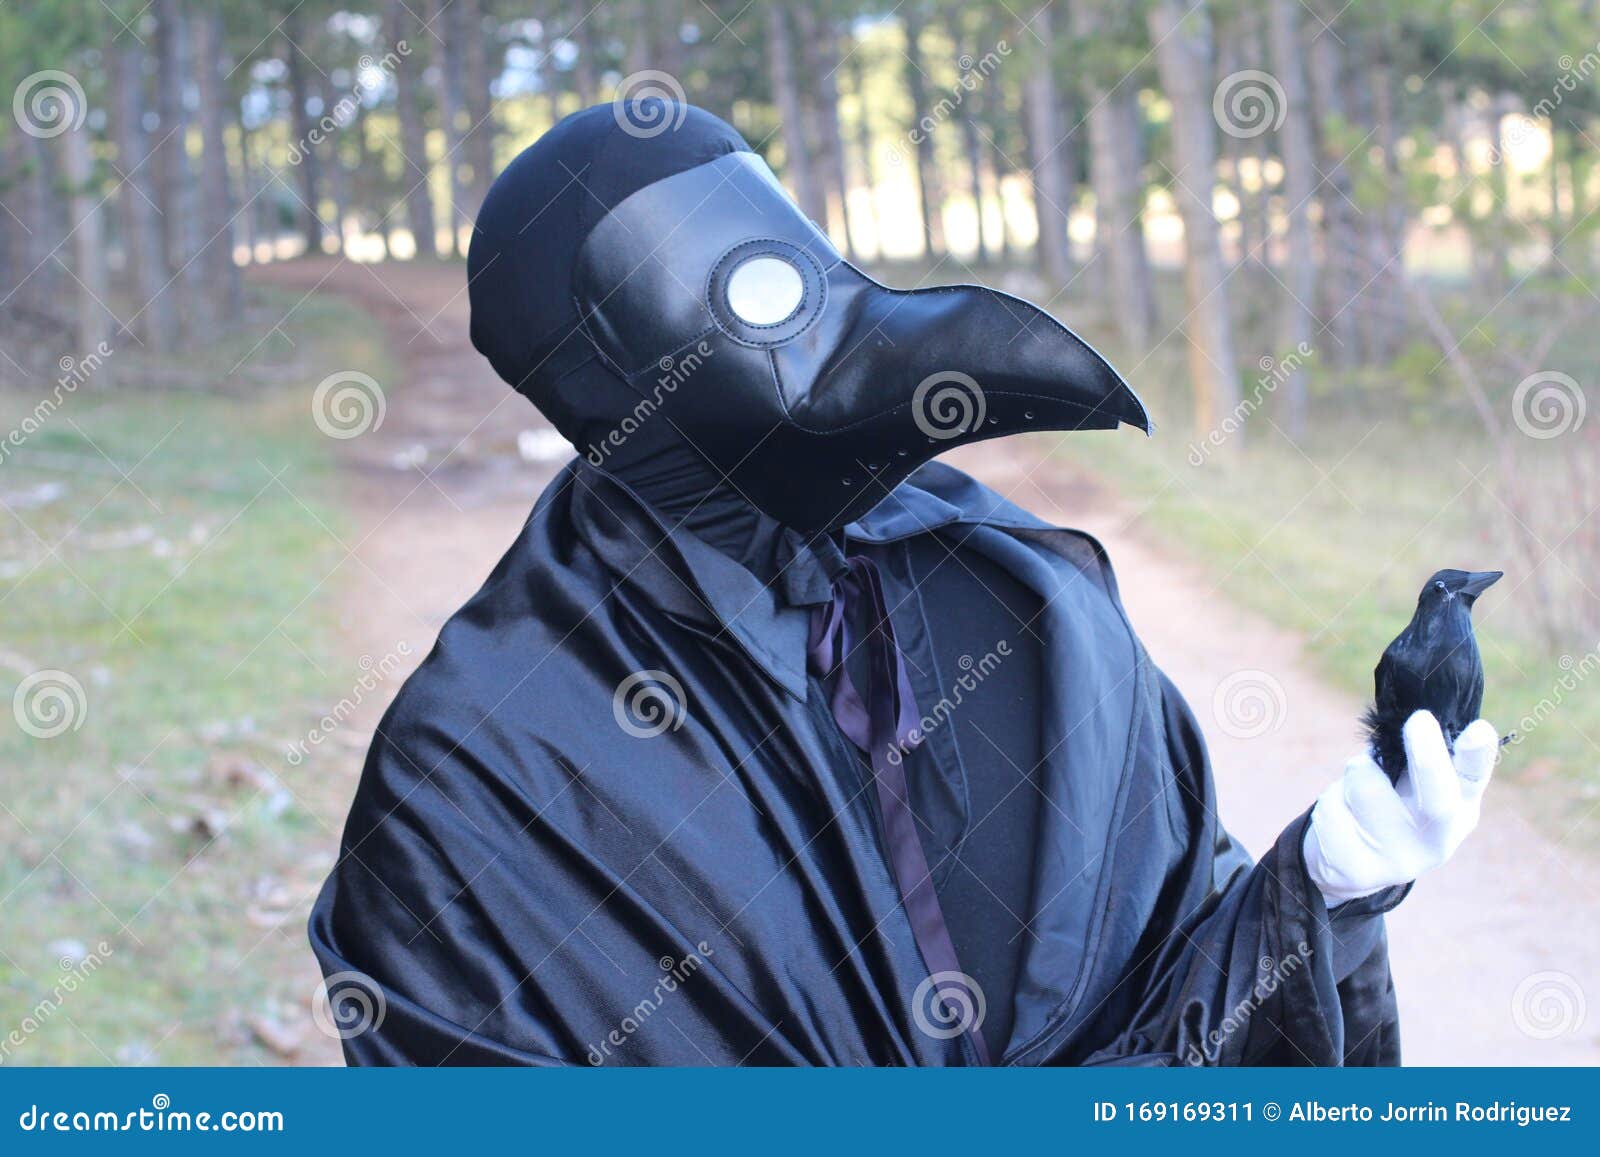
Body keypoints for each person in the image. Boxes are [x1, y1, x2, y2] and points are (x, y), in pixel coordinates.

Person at [308, 102, 1498, 1066]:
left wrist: (1327, 883)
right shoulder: (478, 773)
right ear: (597, 380)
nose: (817, 319)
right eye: (745, 293)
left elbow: (1175, 990)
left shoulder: (1021, 602)